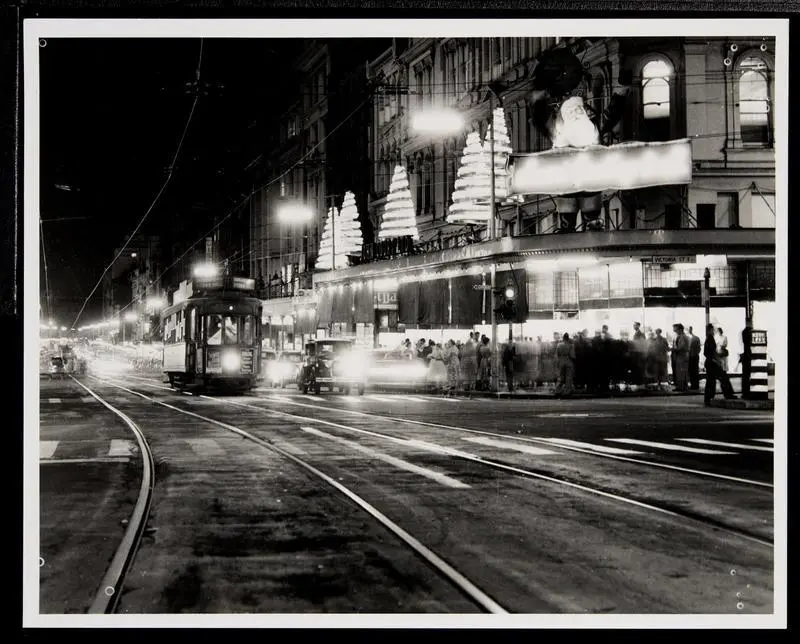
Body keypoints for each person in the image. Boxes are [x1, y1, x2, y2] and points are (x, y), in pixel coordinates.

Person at [704, 323, 736, 405]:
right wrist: (717, 360)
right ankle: (728, 394)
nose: (714, 331)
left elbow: (705, 352)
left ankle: (708, 397)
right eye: (712, 330)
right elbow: (713, 352)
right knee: (723, 377)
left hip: (709, 362)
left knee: (711, 380)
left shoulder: (707, 339)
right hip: (713, 362)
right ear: (710, 330)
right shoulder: (710, 339)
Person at [554, 332, 576, 397]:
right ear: (568, 338)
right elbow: (572, 356)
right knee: (568, 377)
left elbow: (556, 354)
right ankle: (567, 392)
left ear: (563, 338)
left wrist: (558, 361)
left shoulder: (559, 345)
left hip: (561, 361)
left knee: (561, 377)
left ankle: (557, 390)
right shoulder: (571, 345)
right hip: (568, 362)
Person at [740, 323, 753, 398]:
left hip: (745, 357)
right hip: (748, 357)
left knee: (745, 376)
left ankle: (745, 392)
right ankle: (747, 392)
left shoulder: (744, 334)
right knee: (747, 375)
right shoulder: (748, 344)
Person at [687, 326, 702, 391]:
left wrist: (694, 353)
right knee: (694, 371)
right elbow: (699, 348)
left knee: (693, 371)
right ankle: (695, 384)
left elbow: (699, 348)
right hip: (694, 356)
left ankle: (694, 384)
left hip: (692, 356)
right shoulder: (695, 338)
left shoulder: (692, 338)